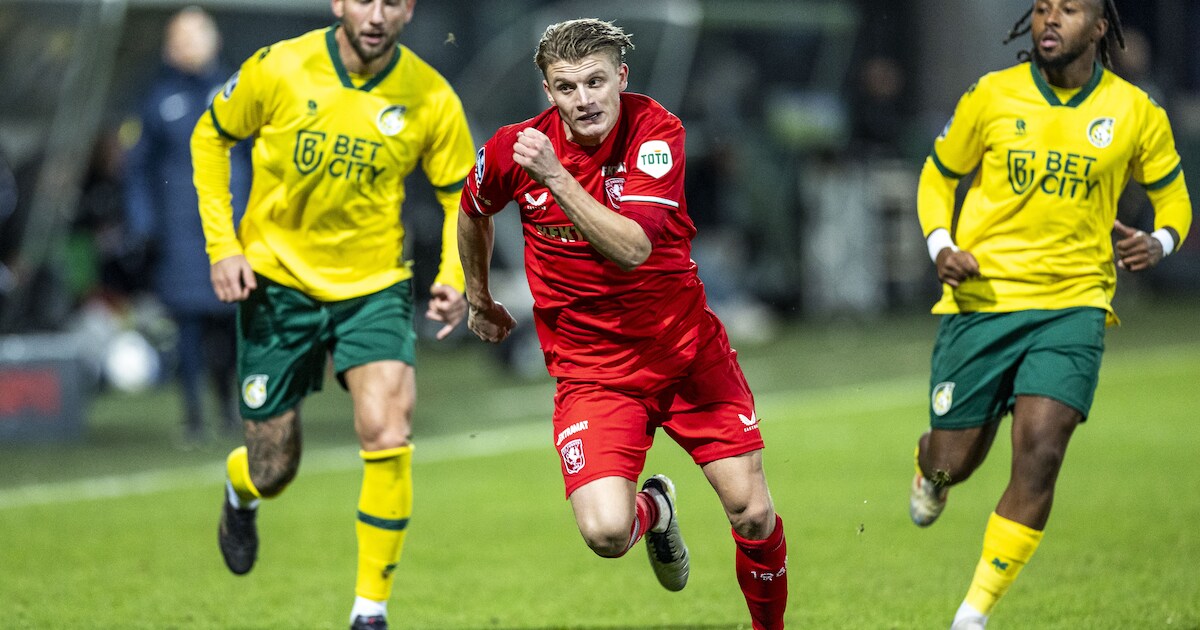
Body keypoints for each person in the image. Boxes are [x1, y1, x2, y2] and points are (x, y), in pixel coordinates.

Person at [458, 19, 788, 630]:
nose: (583, 99)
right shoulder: (515, 145)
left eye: (595, 81)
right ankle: (656, 510)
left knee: (752, 514)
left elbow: (633, 247)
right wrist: (478, 297)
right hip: (593, 374)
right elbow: (472, 205)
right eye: (566, 86)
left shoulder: (656, 133)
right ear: (547, 91)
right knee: (608, 533)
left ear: (621, 78)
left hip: (685, 355)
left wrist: (555, 177)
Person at [190, 0, 473, 628]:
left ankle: (369, 611)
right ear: (338, 2)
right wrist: (224, 247)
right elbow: (210, 135)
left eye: (393, 2)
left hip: (373, 287)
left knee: (387, 427)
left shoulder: (430, 96)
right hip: (277, 285)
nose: (376, 14)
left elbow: (461, 194)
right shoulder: (280, 69)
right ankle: (242, 488)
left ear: (411, 9)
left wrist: (456, 276)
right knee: (274, 468)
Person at [909, 1, 1192, 628]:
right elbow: (937, 175)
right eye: (1040, 9)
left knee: (1041, 448)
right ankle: (929, 469)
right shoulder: (992, 95)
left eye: (1068, 9)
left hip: (1074, 305)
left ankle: (972, 614)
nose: (1049, 20)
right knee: (953, 461)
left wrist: (1160, 242)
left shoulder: (1135, 112)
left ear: (1099, 28)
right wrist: (941, 246)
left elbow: (1175, 201)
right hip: (984, 301)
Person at [125, 6, 250, 443]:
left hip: (235, 228)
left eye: (196, 36)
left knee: (234, 321)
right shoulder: (158, 99)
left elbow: (257, 155)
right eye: (180, 38)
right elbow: (138, 167)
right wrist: (143, 222)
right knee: (189, 323)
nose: (188, 45)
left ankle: (234, 407)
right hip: (181, 230)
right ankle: (194, 415)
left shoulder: (238, 90)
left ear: (213, 40)